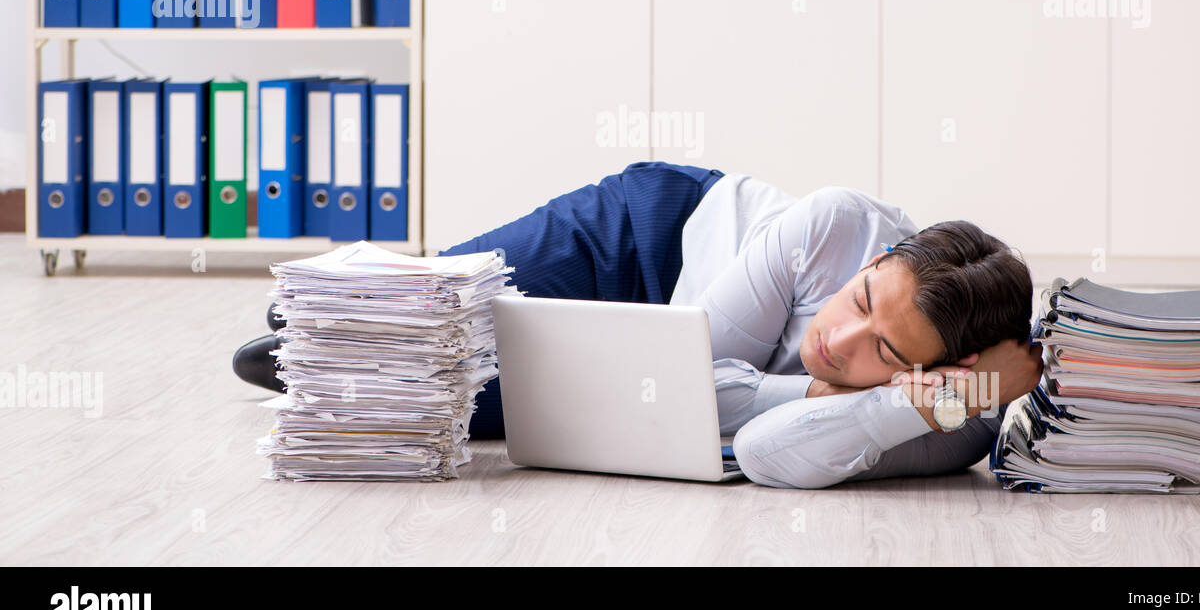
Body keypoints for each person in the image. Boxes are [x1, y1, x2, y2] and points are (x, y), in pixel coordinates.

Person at [232, 161, 1043, 489]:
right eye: (861, 300)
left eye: (885, 353)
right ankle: (334, 307)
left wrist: (900, 404)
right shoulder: (833, 224)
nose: (841, 339)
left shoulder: (950, 419)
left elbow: (746, 443)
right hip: (644, 242)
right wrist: (811, 388)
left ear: (934, 372)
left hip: (645, 358)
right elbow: (688, 373)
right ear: (877, 261)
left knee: (457, 397)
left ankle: (324, 356)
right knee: (433, 306)